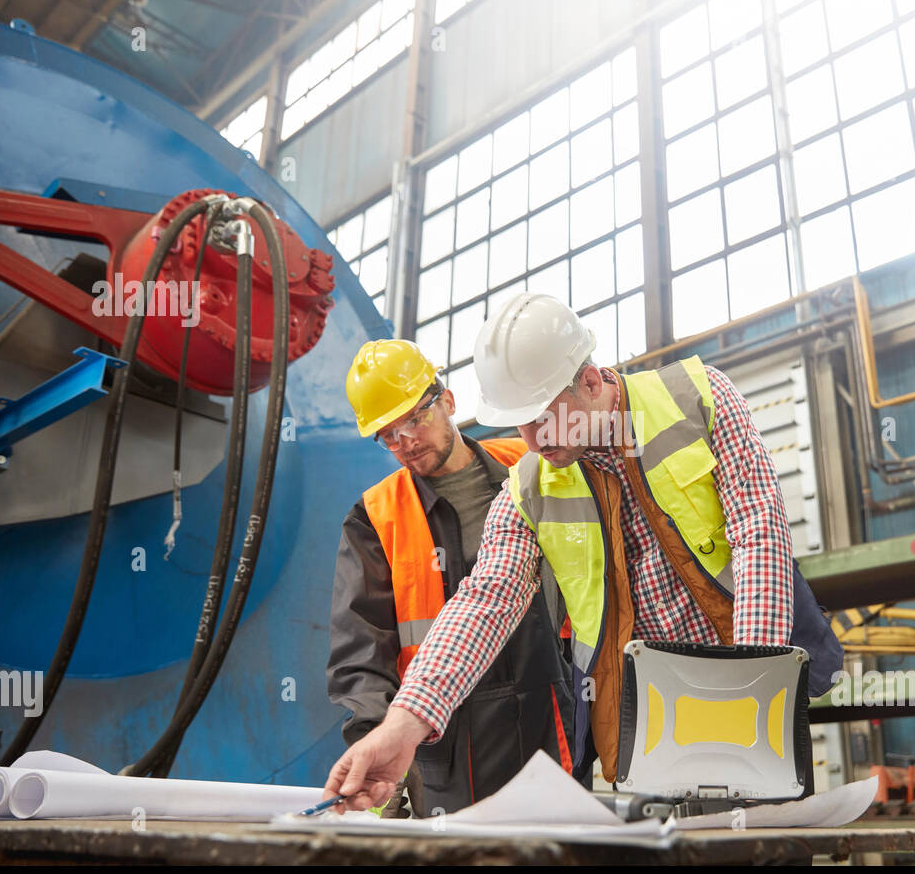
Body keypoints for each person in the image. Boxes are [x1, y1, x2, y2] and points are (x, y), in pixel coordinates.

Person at [324, 295, 843, 811]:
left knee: (772, 845)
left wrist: (751, 681)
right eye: (518, 424)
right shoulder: (530, 483)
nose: (531, 441)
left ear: (591, 381)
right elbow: (486, 599)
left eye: (543, 418)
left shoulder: (698, 397)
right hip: (649, 720)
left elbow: (759, 534)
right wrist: (402, 725)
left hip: (752, 677)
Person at [327, 338, 574, 816]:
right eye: (387, 435)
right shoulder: (375, 515)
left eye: (414, 419)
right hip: (449, 742)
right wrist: (380, 737)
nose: (405, 443)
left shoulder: (528, 467)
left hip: (551, 715)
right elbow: (360, 651)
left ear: (448, 401)